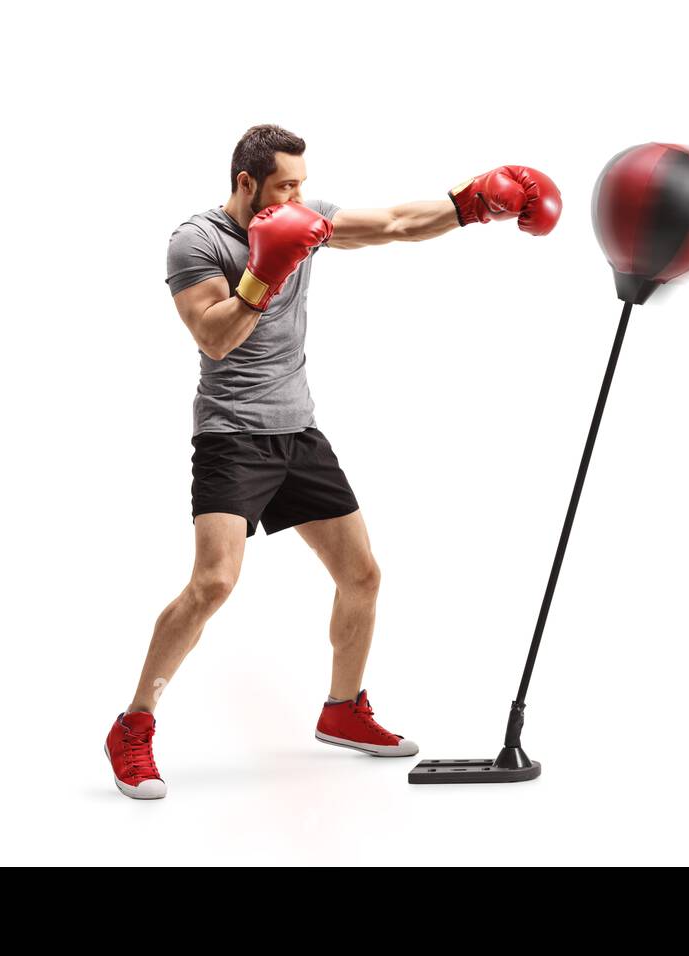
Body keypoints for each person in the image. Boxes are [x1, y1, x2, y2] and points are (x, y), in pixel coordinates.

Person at [104, 123, 562, 799]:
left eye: (302, 186)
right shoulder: (195, 240)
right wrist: (263, 272)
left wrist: (472, 204)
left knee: (362, 574)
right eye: (285, 186)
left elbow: (398, 224)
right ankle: (133, 726)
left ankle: (343, 709)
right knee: (214, 584)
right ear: (244, 182)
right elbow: (214, 337)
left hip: (299, 432)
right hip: (232, 436)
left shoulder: (303, 218)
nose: (296, 198)